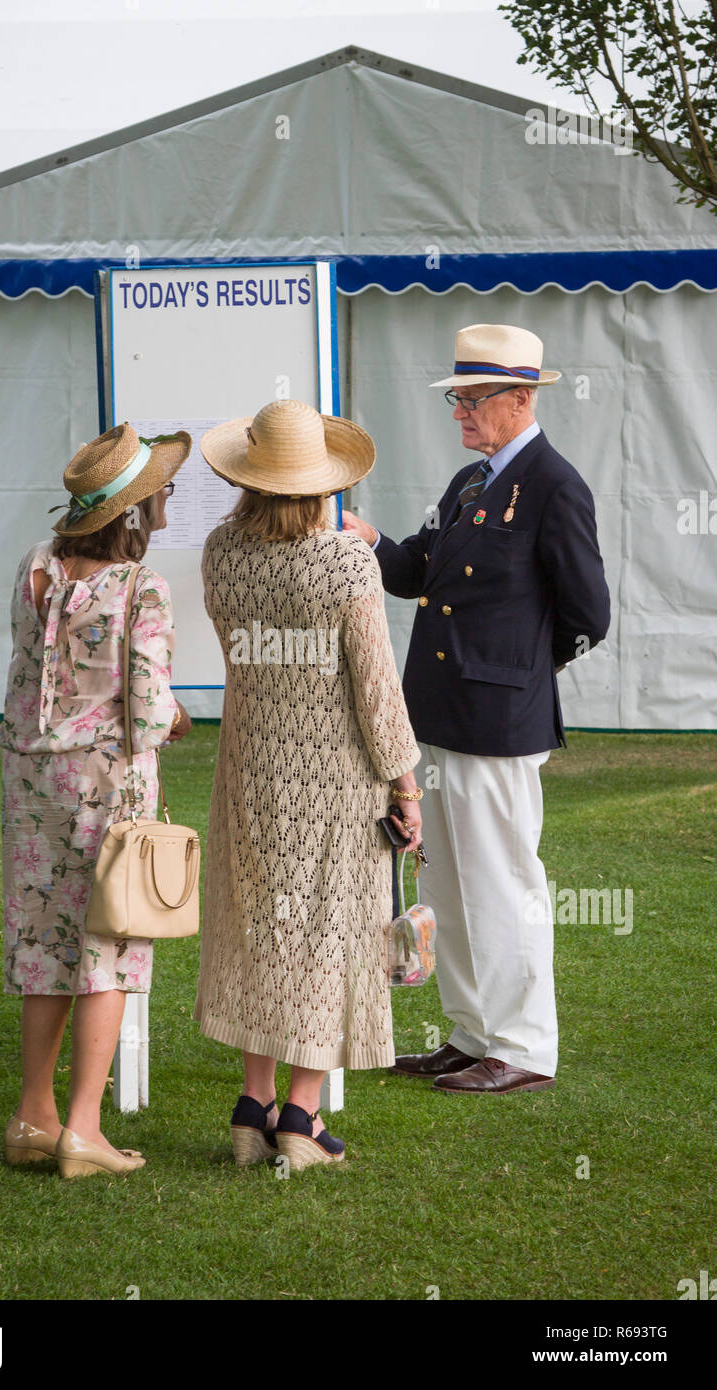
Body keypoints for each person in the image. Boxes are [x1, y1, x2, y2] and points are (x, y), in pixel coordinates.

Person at [343, 323, 611, 1094]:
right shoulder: (470, 482)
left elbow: (588, 614)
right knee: (448, 887)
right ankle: (471, 1033)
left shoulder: (557, 487)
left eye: (472, 399)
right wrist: (369, 538)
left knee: (502, 885)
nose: (458, 411)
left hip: (498, 721)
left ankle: (524, 1048)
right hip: (441, 713)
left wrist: (521, 670)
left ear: (520, 399)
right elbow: (420, 571)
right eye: (455, 397)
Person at [193, 398, 422, 1171]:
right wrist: (405, 786)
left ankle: (250, 1110)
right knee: (325, 938)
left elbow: (242, 658)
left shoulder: (221, 554)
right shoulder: (347, 562)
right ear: (322, 483)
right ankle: (302, 1116)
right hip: (334, 779)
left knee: (262, 934)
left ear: (251, 478)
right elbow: (376, 688)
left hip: (251, 770)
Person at [0, 422, 192, 1176]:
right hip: (109, 784)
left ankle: (32, 1116)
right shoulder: (143, 587)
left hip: (31, 781)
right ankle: (83, 1129)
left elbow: (26, 677)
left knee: (43, 945)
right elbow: (145, 711)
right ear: (133, 512)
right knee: (106, 949)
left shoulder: (32, 568)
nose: (169, 497)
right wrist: (174, 714)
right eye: (161, 491)